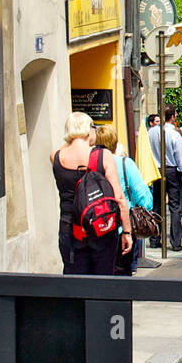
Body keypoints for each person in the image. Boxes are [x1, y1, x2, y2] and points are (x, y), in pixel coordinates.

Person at [51, 112, 132, 275]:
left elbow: (63, 148)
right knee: (102, 281)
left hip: (70, 228)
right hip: (101, 226)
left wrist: (71, 138)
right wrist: (127, 231)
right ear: (88, 130)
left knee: (75, 280)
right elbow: (119, 198)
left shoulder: (57, 157)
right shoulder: (103, 156)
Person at [94, 125, 154, 275]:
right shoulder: (125, 163)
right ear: (114, 142)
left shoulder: (91, 163)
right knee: (121, 273)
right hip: (122, 226)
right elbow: (145, 198)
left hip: (96, 226)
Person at [146, 104, 182, 252]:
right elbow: (180, 159)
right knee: (175, 207)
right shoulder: (174, 134)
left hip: (156, 169)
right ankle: (175, 242)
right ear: (172, 116)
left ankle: (155, 238)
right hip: (171, 170)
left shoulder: (151, 132)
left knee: (157, 204)